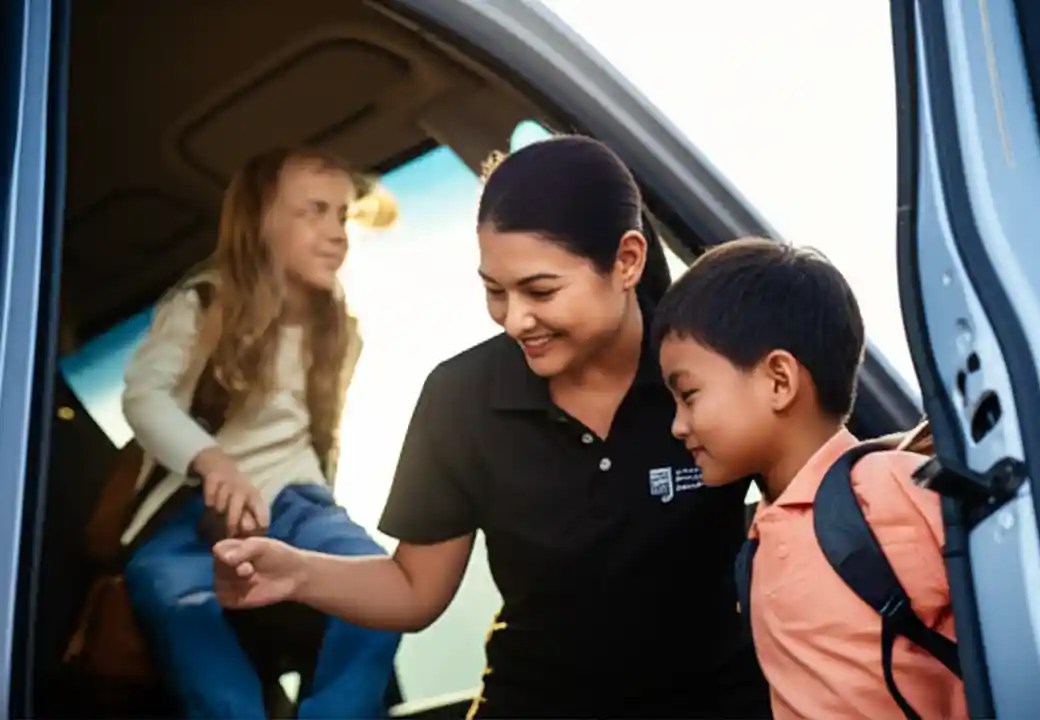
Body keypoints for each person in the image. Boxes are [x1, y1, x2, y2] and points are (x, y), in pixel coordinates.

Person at [212, 135, 772, 719]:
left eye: (541, 290)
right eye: (494, 291)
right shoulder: (461, 399)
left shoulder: (714, 367)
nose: (516, 319)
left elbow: (809, 498)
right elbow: (414, 590)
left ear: (627, 261)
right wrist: (298, 572)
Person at [120, 147, 401, 719]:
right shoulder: (204, 302)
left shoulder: (339, 330)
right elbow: (145, 396)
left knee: (381, 587)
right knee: (176, 598)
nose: (336, 233)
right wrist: (213, 462)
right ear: (263, 220)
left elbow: (318, 441)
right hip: (190, 508)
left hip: (296, 505)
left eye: (342, 216)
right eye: (315, 212)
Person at [651, 238, 967, 720]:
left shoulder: (889, 489)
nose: (678, 425)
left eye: (689, 395)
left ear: (779, 381)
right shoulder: (764, 535)